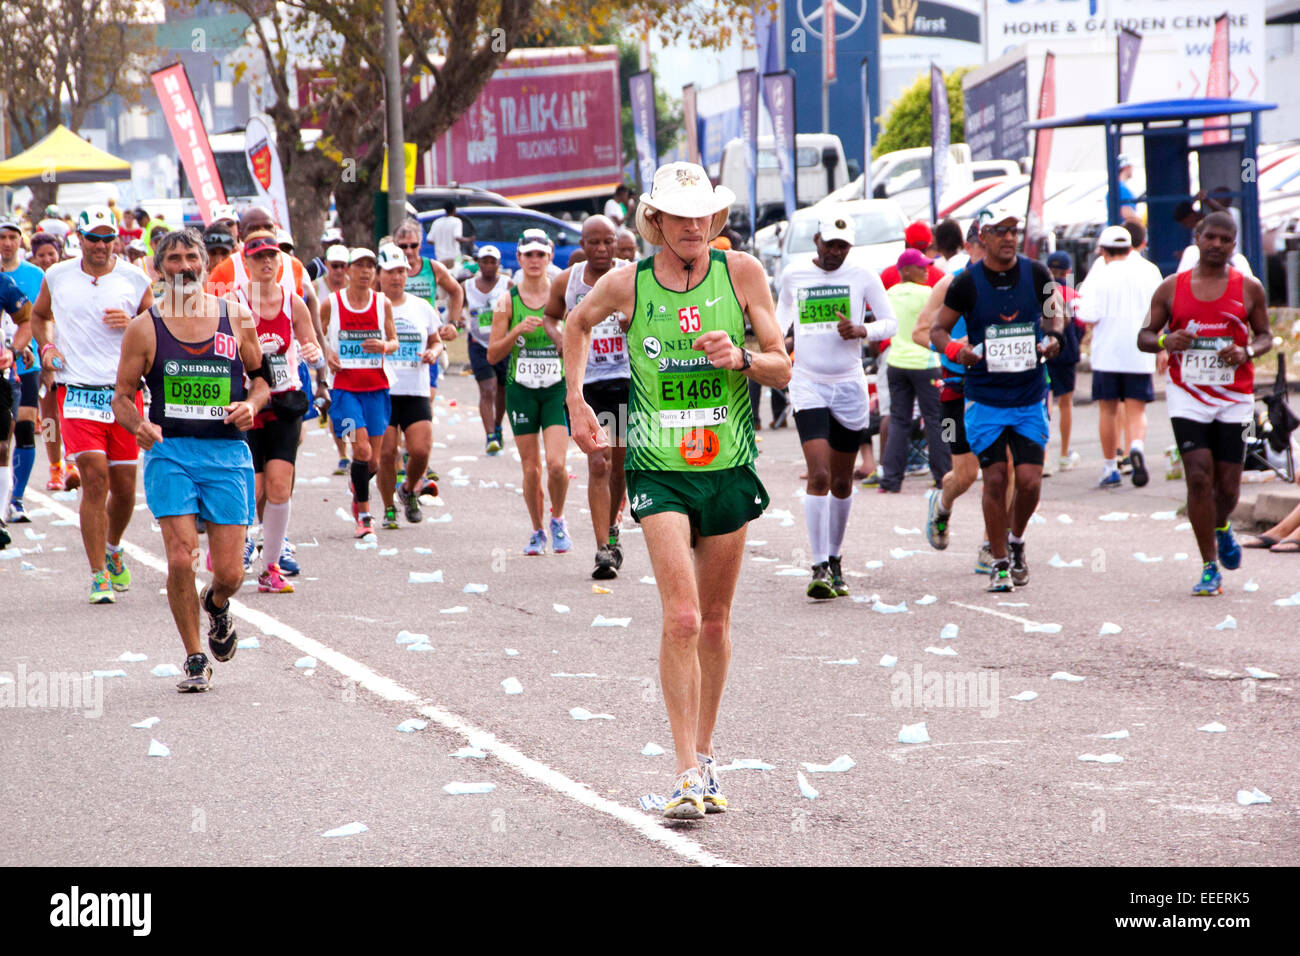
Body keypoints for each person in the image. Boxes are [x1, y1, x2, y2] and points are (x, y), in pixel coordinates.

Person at [564, 161, 791, 819]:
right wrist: (576, 400)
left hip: (727, 465)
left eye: (703, 216)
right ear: (655, 221)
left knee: (715, 622)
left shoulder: (741, 273)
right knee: (684, 618)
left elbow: (782, 368)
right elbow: (576, 324)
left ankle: (707, 754)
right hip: (659, 468)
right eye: (679, 216)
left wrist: (743, 358)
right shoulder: (626, 283)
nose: (694, 226)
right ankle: (684, 770)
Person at [112, 228, 269, 691]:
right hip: (171, 453)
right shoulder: (144, 328)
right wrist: (138, 425)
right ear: (158, 268)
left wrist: (252, 404)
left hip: (226, 453)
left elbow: (262, 379)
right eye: (174, 259)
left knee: (231, 573)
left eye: (191, 257)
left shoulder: (236, 316)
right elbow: (121, 397)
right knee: (181, 559)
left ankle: (216, 604)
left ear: (206, 264)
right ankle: (195, 657)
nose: (184, 266)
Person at [929, 206, 1064, 592]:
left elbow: (1055, 315)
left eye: (1013, 231)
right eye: (1000, 231)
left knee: (1030, 481)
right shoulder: (964, 283)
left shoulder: (1037, 274)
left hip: (1028, 395)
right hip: (983, 396)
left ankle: (1016, 542)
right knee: (993, 477)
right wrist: (956, 351)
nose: (1008, 237)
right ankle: (999, 562)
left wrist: (1054, 338)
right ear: (982, 237)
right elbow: (937, 330)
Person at [1138, 212, 1271, 596]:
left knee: (1228, 488)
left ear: (1234, 245)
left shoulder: (1249, 288)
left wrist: (1246, 351)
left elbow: (1265, 336)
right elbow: (1144, 336)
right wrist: (1165, 341)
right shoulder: (1171, 287)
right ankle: (1209, 565)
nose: (1216, 244)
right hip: (1187, 395)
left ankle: (1222, 525)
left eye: (1225, 239)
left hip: (1234, 398)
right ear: (1197, 238)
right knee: (1198, 476)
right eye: (1210, 237)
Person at [25, 206, 154, 600]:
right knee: (95, 477)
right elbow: (38, 316)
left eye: (107, 238)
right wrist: (46, 348)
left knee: (125, 487)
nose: (100, 245)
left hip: (123, 394)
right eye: (93, 238)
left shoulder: (134, 278)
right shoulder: (57, 275)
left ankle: (113, 548)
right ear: (78, 238)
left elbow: (156, 324)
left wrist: (133, 323)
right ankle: (99, 574)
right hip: (77, 390)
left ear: (116, 240)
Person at [777, 213, 895, 598]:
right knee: (820, 475)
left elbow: (890, 323)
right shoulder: (794, 275)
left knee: (842, 482)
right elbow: (779, 323)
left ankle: (835, 556)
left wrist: (863, 329)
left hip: (848, 386)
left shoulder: (862, 275)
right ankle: (818, 566)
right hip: (808, 383)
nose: (836, 252)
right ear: (817, 241)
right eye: (830, 244)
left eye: (843, 246)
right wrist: (774, 349)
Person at [230, 228, 321, 590]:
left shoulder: (293, 302)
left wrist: (313, 353)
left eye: (272, 256)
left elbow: (311, 344)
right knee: (252, 489)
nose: (266, 262)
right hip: (248, 404)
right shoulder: (234, 303)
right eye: (259, 257)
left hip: (284, 401)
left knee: (279, 487)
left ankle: (271, 567)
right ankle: (236, 544)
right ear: (247, 262)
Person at [544, 215, 630, 578]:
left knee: (620, 467)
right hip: (587, 384)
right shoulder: (568, 280)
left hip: (625, 379)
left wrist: (632, 321)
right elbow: (550, 316)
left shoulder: (630, 275)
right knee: (598, 462)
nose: (601, 249)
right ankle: (603, 549)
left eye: (608, 241)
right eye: (593, 242)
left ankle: (613, 526)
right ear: (582, 244)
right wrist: (560, 338)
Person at [487, 230, 572, 555]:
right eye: (528, 255)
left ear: (549, 257)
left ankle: (558, 518)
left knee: (556, 465)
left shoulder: (561, 295)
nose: (534, 260)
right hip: (521, 391)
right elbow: (493, 354)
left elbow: (580, 337)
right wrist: (516, 331)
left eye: (540, 254)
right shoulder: (507, 300)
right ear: (519, 258)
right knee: (532, 469)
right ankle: (537, 530)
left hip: (555, 390)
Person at [914, 226, 989, 565]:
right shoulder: (949, 284)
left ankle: (992, 548)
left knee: (1004, 470)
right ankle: (942, 505)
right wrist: (954, 348)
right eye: (984, 245)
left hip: (1003, 388)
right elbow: (919, 332)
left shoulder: (1018, 282)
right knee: (965, 475)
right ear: (969, 247)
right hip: (956, 388)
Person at [1076, 225, 1163, 488]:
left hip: (1107, 355)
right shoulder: (1149, 271)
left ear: (1103, 251)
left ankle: (1110, 467)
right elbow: (1161, 311)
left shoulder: (1099, 274)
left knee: (1108, 410)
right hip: (1140, 352)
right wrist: (1162, 347)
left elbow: (1087, 315)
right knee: (1136, 410)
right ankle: (1135, 446)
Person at [322, 248, 397, 538]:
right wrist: (327, 353)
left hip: (376, 388)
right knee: (362, 450)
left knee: (373, 461)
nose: (366, 271)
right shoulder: (332, 303)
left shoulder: (382, 303)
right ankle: (364, 516)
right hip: (345, 390)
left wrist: (384, 346)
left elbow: (394, 340)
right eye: (360, 266)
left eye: (370, 266)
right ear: (348, 270)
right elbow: (313, 334)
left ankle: (358, 484)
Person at [374, 243, 442, 529]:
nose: (397, 277)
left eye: (401, 271)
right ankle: (389, 507)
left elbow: (436, 340)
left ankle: (408, 490)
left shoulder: (421, 306)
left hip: (415, 390)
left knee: (421, 450)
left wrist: (433, 353)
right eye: (391, 271)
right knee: (387, 454)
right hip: (383, 390)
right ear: (379, 274)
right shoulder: (372, 305)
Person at [880, 248, 951, 493]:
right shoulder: (928, 293)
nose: (926, 270)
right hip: (925, 364)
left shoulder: (889, 294)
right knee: (935, 420)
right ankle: (943, 477)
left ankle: (891, 480)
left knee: (899, 421)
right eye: (921, 267)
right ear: (906, 270)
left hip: (896, 362)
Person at [391, 218, 461, 417]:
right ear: (395, 245)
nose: (408, 251)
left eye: (413, 245)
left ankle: (418, 431)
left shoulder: (432, 268)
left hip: (426, 343)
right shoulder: (386, 272)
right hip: (395, 342)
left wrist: (453, 323)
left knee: (427, 397)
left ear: (420, 244)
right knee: (393, 400)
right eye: (403, 246)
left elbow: (456, 291)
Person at [1, 218, 45, 522]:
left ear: (20, 241)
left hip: (27, 365)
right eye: (2, 237)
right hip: (9, 363)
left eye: (12, 237)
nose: (7, 242)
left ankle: (15, 499)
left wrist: (43, 351)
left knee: (25, 429)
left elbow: (39, 318)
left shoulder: (35, 275)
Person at [462, 245, 512, 454]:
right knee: (487, 388)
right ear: (478, 263)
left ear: (499, 264)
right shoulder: (467, 286)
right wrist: (457, 320)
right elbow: (456, 305)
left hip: (502, 343)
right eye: (485, 261)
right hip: (478, 344)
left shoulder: (507, 284)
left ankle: (498, 425)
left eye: (493, 262)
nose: (489, 266)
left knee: (502, 389)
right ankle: (490, 436)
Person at [0, 272, 33, 548]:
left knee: (2, 446)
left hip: (4, 378)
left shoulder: (4, 283)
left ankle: (0, 516)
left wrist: (13, 350)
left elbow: (28, 320)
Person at [1043, 250, 1083, 473]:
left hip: (1044, 351)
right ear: (1068, 271)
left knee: (1044, 401)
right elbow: (1081, 325)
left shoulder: (1043, 291)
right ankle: (1064, 454)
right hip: (1066, 353)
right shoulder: (1072, 294)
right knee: (1066, 403)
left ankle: (1044, 457)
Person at [879, 222, 947, 289]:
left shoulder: (887, 275)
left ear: (906, 244)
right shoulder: (940, 277)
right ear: (929, 245)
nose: (924, 270)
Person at [428, 202, 472, 268]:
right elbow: (457, 237)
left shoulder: (437, 222)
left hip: (440, 258)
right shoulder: (456, 221)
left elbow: (429, 240)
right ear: (454, 210)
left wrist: (439, 241)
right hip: (455, 258)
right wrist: (469, 239)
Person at [1116, 155, 1139, 221]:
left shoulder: (1119, 187)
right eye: (1131, 166)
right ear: (1126, 167)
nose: (1133, 169)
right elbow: (1127, 214)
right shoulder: (1121, 189)